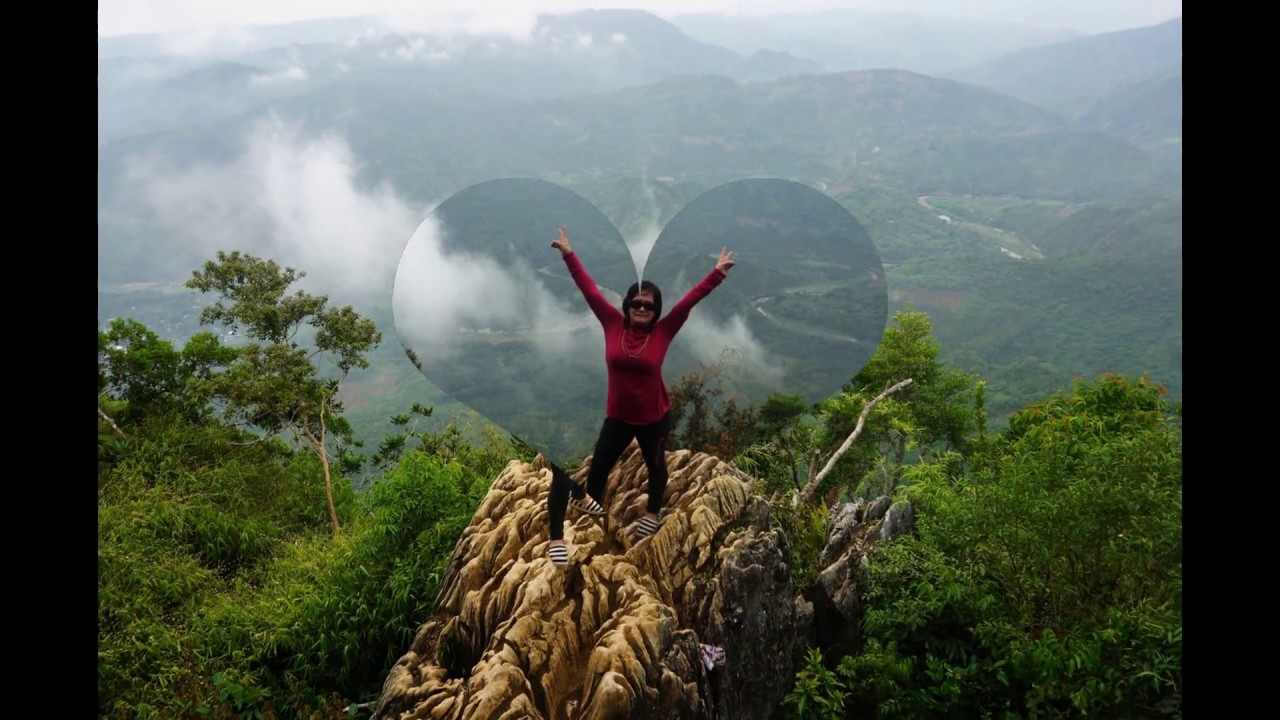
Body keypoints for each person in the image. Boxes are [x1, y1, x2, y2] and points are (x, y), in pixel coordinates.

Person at [545, 225, 735, 567]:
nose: (641, 307)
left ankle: (652, 511)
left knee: (657, 467)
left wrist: (716, 274)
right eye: (635, 302)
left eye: (648, 304)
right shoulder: (611, 322)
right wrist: (569, 254)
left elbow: (690, 299)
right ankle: (590, 525)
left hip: (653, 418)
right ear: (627, 304)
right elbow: (588, 289)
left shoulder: (664, 330)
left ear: (656, 309)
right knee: (598, 472)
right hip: (617, 417)